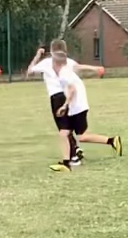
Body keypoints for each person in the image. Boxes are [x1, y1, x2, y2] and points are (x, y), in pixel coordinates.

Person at [26, 41, 103, 170]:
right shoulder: (66, 61)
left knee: (64, 130)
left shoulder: (48, 63)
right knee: (68, 129)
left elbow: (29, 72)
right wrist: (95, 68)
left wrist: (38, 55)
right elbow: (80, 67)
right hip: (67, 96)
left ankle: (72, 158)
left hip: (58, 97)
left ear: (51, 51)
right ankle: (74, 152)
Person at [48, 56, 122, 173]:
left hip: (77, 108)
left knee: (68, 133)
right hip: (80, 106)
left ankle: (69, 162)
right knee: (70, 134)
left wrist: (64, 106)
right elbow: (80, 67)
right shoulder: (67, 69)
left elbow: (72, 90)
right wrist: (95, 69)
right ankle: (111, 141)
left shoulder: (63, 74)